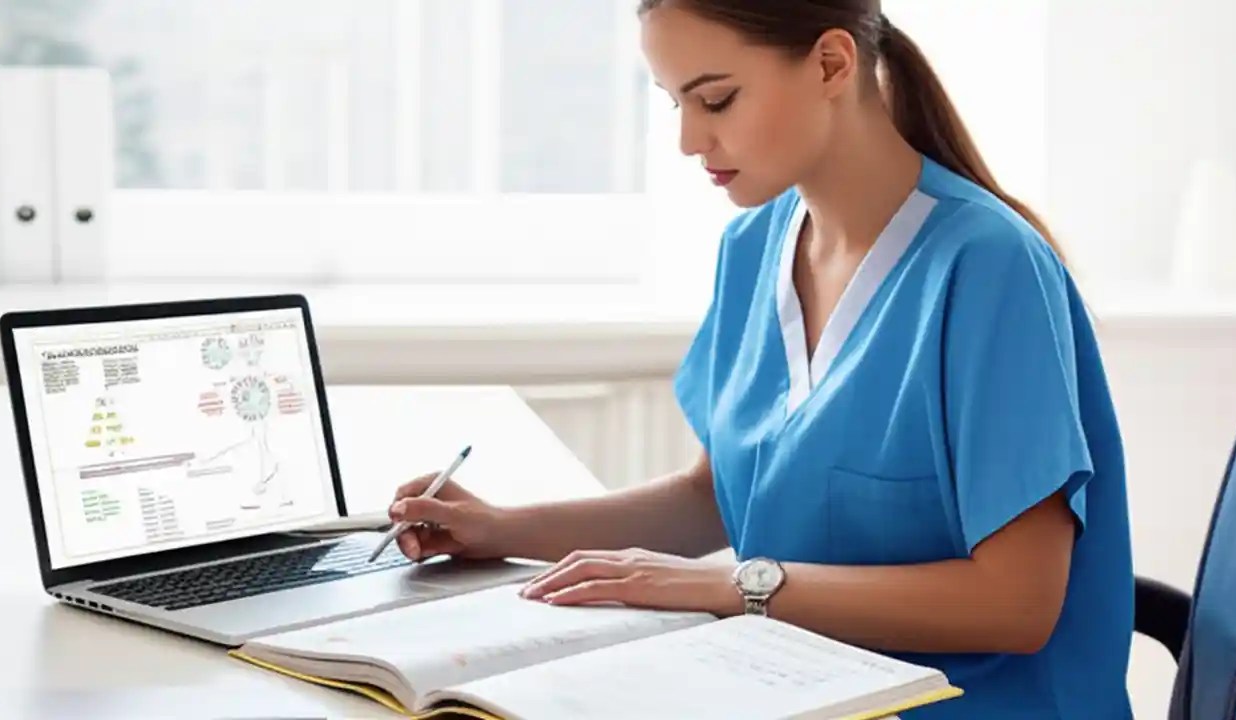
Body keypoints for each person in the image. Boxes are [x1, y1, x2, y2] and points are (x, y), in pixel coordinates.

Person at [386, 1, 1134, 717]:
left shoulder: (989, 270)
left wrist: (728, 586)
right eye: (674, 102)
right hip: (794, 689)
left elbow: (1015, 606)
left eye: (716, 100)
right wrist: (500, 528)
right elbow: (714, 497)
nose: (687, 140)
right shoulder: (753, 248)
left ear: (832, 64)